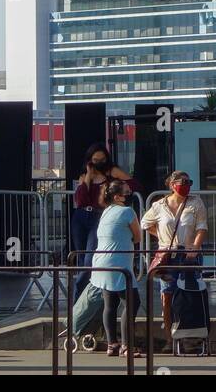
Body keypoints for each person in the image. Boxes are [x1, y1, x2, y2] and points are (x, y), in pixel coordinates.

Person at [141, 171, 208, 349]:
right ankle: (170, 338)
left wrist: (193, 248)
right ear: (172, 185)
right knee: (167, 296)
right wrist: (162, 237)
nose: (186, 185)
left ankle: (190, 336)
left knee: (190, 295)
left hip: (188, 254)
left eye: (189, 182)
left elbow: (202, 227)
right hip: (168, 254)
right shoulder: (159, 205)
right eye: (182, 182)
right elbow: (145, 224)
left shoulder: (195, 202)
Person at [91, 178, 142, 356]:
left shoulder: (106, 211)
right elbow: (137, 237)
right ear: (118, 197)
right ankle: (127, 346)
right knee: (133, 302)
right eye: (127, 192)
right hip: (118, 262)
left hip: (101, 261)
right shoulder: (128, 211)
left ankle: (112, 344)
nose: (130, 195)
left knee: (110, 303)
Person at [72, 145, 131, 292]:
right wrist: (87, 179)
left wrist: (121, 188)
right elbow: (80, 200)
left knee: (89, 258)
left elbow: (132, 184)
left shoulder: (111, 174)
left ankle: (79, 291)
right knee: (81, 257)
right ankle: (85, 298)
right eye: (95, 160)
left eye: (102, 160)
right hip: (80, 217)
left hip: (99, 217)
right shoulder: (85, 176)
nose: (99, 163)